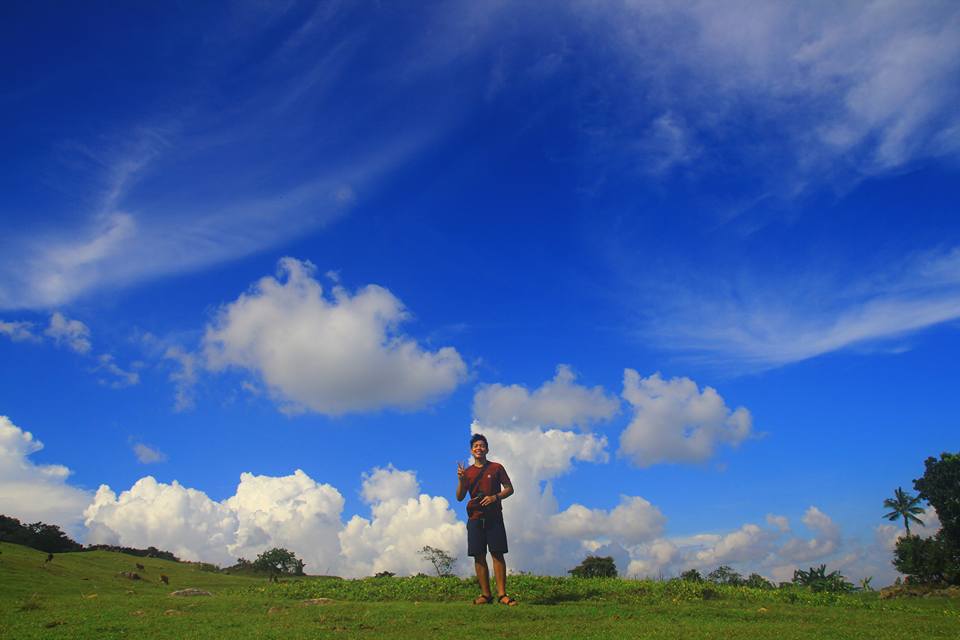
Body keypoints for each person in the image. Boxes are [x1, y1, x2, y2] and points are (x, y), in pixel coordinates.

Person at [456, 433, 517, 606]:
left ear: (487, 449)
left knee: (497, 554)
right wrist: (461, 480)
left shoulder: (496, 468)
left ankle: (502, 595)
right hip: (475, 518)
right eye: (476, 446)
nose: (479, 448)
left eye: (482, 445)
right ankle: (485, 594)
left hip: (494, 517)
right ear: (471, 450)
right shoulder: (467, 472)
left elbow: (509, 489)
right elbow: (460, 497)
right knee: (478, 556)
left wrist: (495, 497)